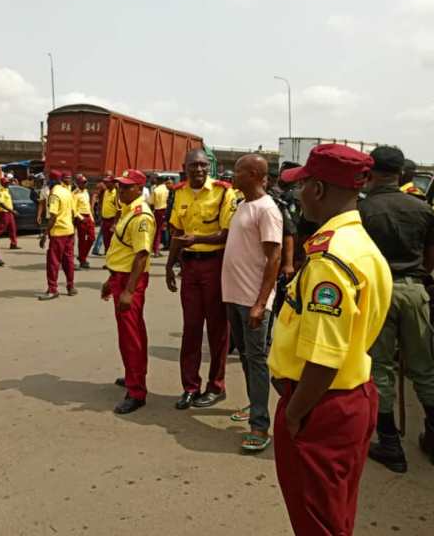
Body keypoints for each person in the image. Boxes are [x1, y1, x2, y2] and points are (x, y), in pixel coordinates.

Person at [268, 144, 392, 536]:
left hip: (320, 402)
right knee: (334, 516)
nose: (297, 193)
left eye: (302, 184)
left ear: (318, 189)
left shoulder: (330, 258)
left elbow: (324, 356)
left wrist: (293, 414)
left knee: (316, 522)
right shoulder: (361, 245)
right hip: (350, 394)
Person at [359, 146, 434, 473]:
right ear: (401, 173)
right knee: (425, 367)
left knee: (380, 368)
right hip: (414, 290)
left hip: (378, 293)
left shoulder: (364, 210)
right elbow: (433, 257)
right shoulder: (422, 209)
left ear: (371, 171)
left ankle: (391, 445)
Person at [166, 149, 237, 410]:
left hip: (215, 265)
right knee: (191, 328)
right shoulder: (179, 192)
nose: (199, 170)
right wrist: (169, 264)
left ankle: (216, 386)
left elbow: (227, 233)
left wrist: (197, 239)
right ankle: (189, 387)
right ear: (184, 167)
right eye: (194, 165)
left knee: (218, 329)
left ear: (209, 167)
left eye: (203, 165)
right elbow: (176, 231)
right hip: (190, 267)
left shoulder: (222, 192)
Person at [222, 155, 282, 453]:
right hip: (234, 296)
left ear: (255, 174)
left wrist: (260, 303)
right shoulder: (243, 205)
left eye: (239, 170)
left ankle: (260, 425)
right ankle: (254, 403)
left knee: (256, 359)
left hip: (252, 300)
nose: (233, 175)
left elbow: (274, 258)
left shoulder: (268, 210)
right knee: (246, 356)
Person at [102, 170, 156, 414]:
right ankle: (132, 374)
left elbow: (141, 254)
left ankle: (137, 391)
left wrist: (128, 291)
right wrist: (110, 279)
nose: (120, 191)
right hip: (120, 277)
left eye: (126, 187)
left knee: (131, 335)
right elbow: (122, 251)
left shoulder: (141, 215)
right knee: (129, 334)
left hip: (129, 280)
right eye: (119, 187)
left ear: (138, 189)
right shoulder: (127, 211)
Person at [40, 170, 77, 300]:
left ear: (51, 181)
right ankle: (70, 287)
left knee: (53, 261)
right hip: (69, 230)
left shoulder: (54, 194)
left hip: (58, 232)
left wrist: (45, 233)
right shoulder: (67, 191)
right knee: (68, 260)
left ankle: (52, 289)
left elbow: (53, 216)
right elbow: (73, 212)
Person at [73, 174, 95, 269]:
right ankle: (83, 259)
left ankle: (82, 256)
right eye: (83, 182)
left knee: (91, 238)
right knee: (82, 240)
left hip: (88, 216)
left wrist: (91, 218)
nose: (85, 184)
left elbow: (88, 206)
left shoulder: (86, 192)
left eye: (85, 182)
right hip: (80, 218)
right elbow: (73, 209)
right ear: (78, 183)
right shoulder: (74, 194)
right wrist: (81, 218)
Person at [0, 177, 21, 249]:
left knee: (12, 228)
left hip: (9, 213)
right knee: (1, 229)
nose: (8, 184)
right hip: (4, 213)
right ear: (2, 183)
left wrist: (11, 211)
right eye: (6, 183)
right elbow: (1, 204)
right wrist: (12, 211)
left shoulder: (6, 190)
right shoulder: (0, 191)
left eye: (8, 183)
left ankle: (13, 244)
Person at [148, 174, 169, 257]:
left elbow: (151, 202)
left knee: (156, 231)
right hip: (165, 211)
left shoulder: (156, 190)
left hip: (157, 211)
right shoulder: (167, 190)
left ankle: (155, 249)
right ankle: (156, 249)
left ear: (159, 181)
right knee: (161, 231)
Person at [99, 176, 120, 253]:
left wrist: (114, 224)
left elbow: (119, 210)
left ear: (113, 183)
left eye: (108, 182)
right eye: (105, 182)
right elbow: (101, 203)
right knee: (106, 242)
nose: (106, 184)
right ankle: (108, 259)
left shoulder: (116, 194)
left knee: (113, 243)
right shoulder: (105, 192)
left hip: (112, 220)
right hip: (105, 220)